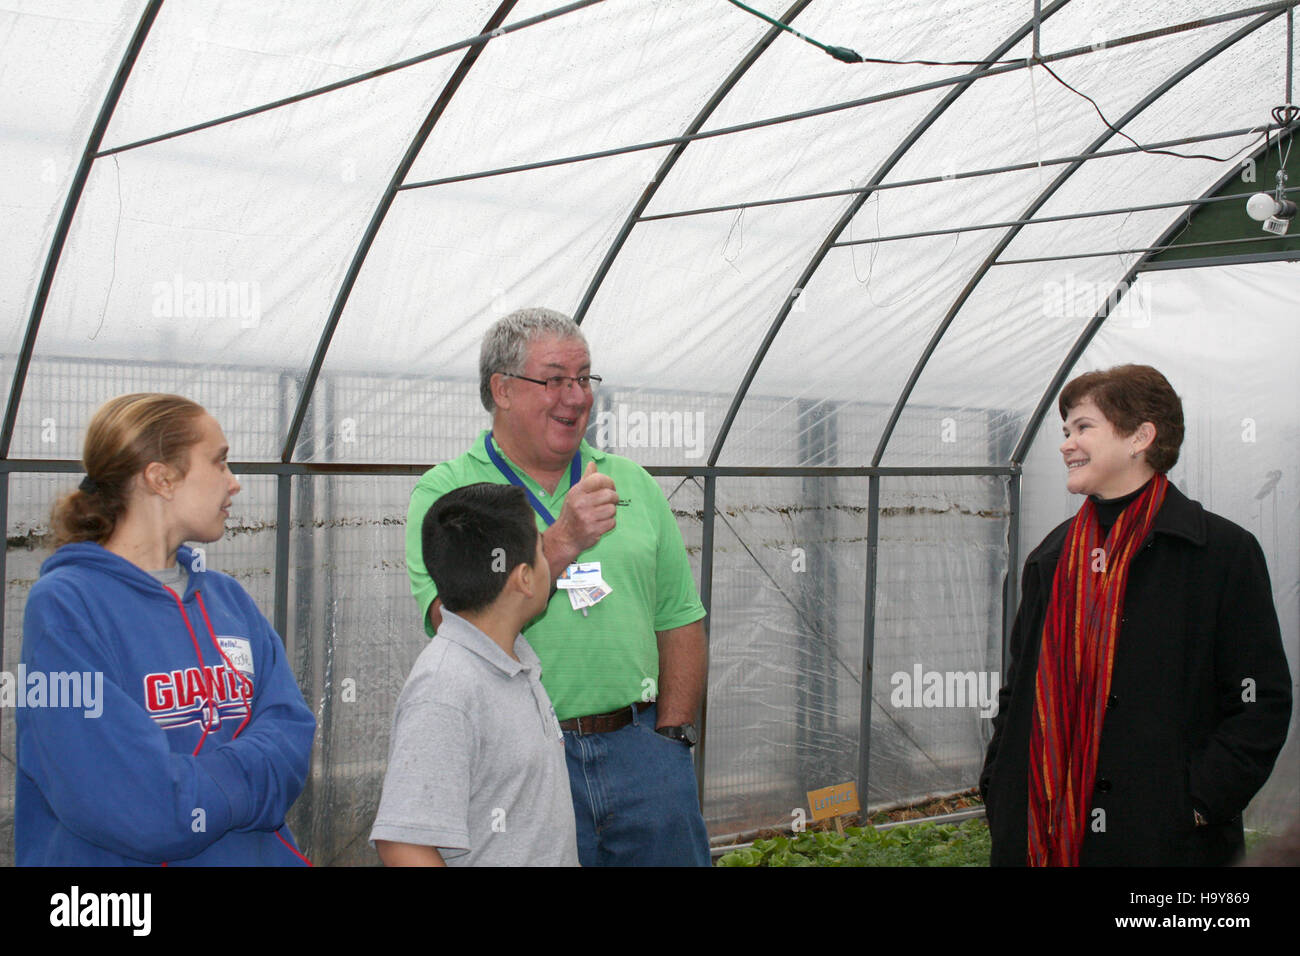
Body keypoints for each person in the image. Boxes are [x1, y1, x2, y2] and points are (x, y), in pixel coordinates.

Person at [405, 307, 710, 866]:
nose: (576, 397)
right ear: (501, 389)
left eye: (584, 378)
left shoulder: (632, 484)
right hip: (523, 762)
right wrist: (562, 541)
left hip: (642, 749)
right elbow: (453, 624)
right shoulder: (447, 495)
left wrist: (671, 737)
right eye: (554, 380)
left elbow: (679, 616)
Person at [980, 365, 1292, 866]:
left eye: (1083, 427)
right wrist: (999, 784)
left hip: (1165, 845)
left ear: (1140, 436)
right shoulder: (1053, 556)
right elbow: (1019, 691)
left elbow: (1260, 702)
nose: (1066, 444)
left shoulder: (1218, 553)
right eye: (1065, 431)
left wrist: (1197, 803)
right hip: (1041, 830)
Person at [16, 393, 316, 866]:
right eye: (219, 463)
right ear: (161, 478)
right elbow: (139, 806)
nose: (234, 483)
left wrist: (194, 782)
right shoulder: (66, 607)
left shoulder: (228, 599)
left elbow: (293, 737)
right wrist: (250, 774)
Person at [372, 483, 578, 866]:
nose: (548, 560)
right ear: (524, 578)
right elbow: (403, 845)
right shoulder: (446, 687)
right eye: (540, 549)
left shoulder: (515, 662)